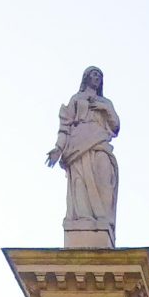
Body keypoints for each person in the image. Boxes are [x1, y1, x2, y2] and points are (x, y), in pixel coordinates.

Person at [45, 66, 119, 239]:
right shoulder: (76, 99)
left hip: (100, 144)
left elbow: (115, 126)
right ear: (86, 77)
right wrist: (58, 148)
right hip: (77, 146)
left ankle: (103, 222)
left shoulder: (106, 102)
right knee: (79, 183)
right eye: (94, 74)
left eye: (100, 75)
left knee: (104, 182)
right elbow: (65, 126)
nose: (97, 77)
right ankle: (83, 222)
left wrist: (104, 109)